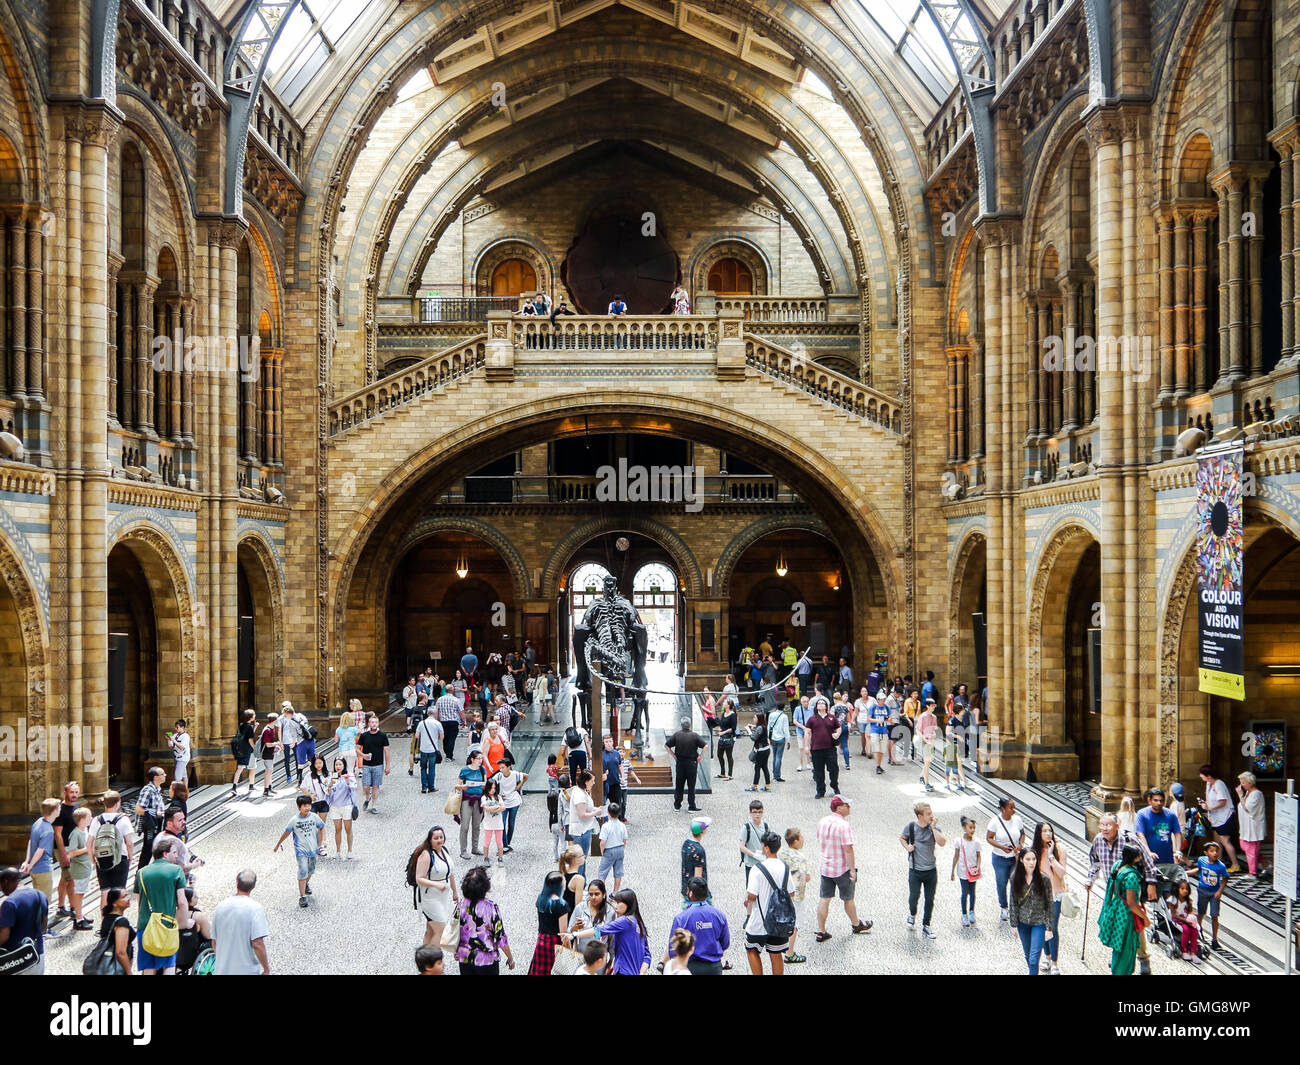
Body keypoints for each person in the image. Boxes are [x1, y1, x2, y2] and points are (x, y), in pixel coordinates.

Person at [1085, 811, 1158, 973]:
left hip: (1131, 891)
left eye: (1108, 825)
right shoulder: (1098, 841)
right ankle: (1119, 956)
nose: (1104, 828)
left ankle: (1142, 957)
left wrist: (1152, 883)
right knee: (1114, 924)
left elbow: (1147, 863)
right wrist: (1090, 880)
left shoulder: (1130, 840)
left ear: (1117, 825)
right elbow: (1095, 863)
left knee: (1134, 925)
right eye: (1101, 825)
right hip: (1113, 891)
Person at [815, 796, 872, 940]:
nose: (849, 807)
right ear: (839, 808)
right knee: (848, 899)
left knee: (824, 898)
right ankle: (856, 924)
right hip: (841, 868)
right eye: (847, 805)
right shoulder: (843, 825)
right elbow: (848, 849)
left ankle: (821, 931)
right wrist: (852, 870)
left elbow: (820, 840)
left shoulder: (822, 821)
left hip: (825, 867)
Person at [135, 836, 190, 974]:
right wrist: (184, 922)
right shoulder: (176, 871)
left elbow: (139, 902)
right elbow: (182, 902)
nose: (177, 856)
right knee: (169, 963)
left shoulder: (141, 873)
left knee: (148, 966)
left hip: (145, 925)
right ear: (165, 853)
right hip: (167, 925)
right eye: (174, 852)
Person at [563, 888, 651, 975]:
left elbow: (599, 930)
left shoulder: (625, 921)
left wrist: (574, 934)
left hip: (623, 971)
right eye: (615, 902)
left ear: (628, 904)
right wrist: (641, 972)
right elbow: (647, 956)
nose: (615, 906)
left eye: (619, 903)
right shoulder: (639, 923)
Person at [743, 831, 792, 974]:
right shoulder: (785, 868)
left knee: (752, 949)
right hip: (779, 921)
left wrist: (747, 902)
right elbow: (791, 892)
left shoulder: (757, 869)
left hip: (760, 921)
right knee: (776, 954)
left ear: (765, 848)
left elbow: (751, 896)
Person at [454, 866, 514, 974]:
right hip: (487, 960)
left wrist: (456, 950)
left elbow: (454, 930)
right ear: (485, 887)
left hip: (465, 958)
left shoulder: (460, 906)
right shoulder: (491, 908)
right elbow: (500, 937)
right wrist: (510, 958)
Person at [1097, 843, 1145, 975]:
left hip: (1116, 909)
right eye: (1139, 855)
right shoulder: (1132, 877)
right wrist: (1144, 917)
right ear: (1134, 858)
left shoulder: (1117, 866)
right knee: (1127, 948)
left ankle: (1116, 968)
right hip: (1127, 916)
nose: (1141, 857)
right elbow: (1132, 903)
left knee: (1118, 946)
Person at [210, 870, 270, 975]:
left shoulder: (220, 906)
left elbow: (214, 942)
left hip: (222, 970)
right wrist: (266, 968)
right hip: (246, 970)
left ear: (237, 882)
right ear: (254, 886)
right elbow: (257, 943)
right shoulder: (255, 908)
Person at [901, 801, 946, 939]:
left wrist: (933, 828)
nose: (931, 815)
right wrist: (907, 847)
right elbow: (903, 838)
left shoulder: (934, 828)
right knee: (914, 896)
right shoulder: (911, 827)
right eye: (928, 814)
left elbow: (942, 842)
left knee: (930, 899)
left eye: (931, 813)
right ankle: (912, 914)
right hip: (915, 870)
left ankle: (926, 925)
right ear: (920, 816)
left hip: (931, 870)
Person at [667, 877, 730, 974]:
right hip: (714, 968)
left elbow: (673, 949)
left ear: (690, 893)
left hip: (690, 967)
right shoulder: (719, 915)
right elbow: (725, 943)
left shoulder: (681, 918)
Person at [410, 825, 457, 947]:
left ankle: (424, 957)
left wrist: (455, 891)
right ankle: (433, 959)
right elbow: (419, 878)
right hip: (429, 897)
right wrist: (436, 884)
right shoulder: (426, 855)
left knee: (431, 929)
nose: (439, 840)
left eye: (441, 837)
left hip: (442, 896)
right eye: (436, 838)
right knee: (440, 929)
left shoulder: (444, 851)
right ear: (430, 840)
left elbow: (450, 872)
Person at [1008, 847, 1052, 975]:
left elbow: (1049, 904)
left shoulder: (1044, 879)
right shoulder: (1015, 877)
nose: (1032, 862)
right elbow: (1013, 902)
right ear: (1021, 860)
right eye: (1028, 859)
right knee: (1028, 956)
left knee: (1034, 959)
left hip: (1039, 922)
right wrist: (1013, 924)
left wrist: (1049, 928)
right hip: (1023, 922)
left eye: (1034, 859)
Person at [275, 795, 325, 909]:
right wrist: (278, 844)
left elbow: (322, 827)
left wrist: (321, 842)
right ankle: (302, 896)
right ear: (299, 807)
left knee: (310, 870)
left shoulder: (314, 817)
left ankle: (306, 884)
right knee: (303, 870)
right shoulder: (294, 820)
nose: (307, 808)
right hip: (300, 850)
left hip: (313, 849)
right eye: (304, 806)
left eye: (309, 805)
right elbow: (286, 832)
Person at [1032, 821, 1069, 973]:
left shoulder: (1060, 849)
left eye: (1050, 831)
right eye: (1044, 831)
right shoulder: (1034, 851)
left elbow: (1061, 873)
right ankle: (1046, 956)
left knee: (1052, 927)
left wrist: (1052, 857)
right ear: (1038, 834)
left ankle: (1054, 962)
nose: (1048, 834)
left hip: (1056, 893)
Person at [0, 865, 48, 974]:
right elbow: (44, 927)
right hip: (36, 954)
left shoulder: (10, 903)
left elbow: (4, 935)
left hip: (14, 959)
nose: (2, 890)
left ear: (6, 882)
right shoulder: (40, 895)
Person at [986, 796, 1026, 920]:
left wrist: (1020, 845)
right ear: (1003, 809)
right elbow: (989, 838)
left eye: (1014, 807)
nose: (1014, 810)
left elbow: (1023, 833)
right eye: (1011, 807)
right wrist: (1001, 847)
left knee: (1015, 882)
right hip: (1000, 858)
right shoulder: (994, 822)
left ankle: (1015, 907)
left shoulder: (1017, 820)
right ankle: (1004, 907)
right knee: (1002, 883)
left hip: (1014, 857)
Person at [777, 829, 811, 964]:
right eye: (801, 837)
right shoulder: (800, 857)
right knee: (794, 924)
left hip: (782, 893)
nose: (803, 839)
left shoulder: (781, 853)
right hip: (796, 896)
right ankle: (789, 953)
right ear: (796, 841)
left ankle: (779, 947)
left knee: (783, 920)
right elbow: (806, 877)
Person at [527, 870, 571, 974]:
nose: (565, 884)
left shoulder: (541, 899)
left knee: (540, 970)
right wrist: (569, 949)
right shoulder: (562, 905)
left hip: (542, 939)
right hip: (554, 943)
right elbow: (563, 933)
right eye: (564, 882)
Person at [90, 791, 134, 893]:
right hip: (120, 858)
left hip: (101, 858)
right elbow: (129, 843)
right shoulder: (123, 819)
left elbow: (89, 843)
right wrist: (130, 858)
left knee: (105, 891)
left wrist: (93, 858)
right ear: (117, 803)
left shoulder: (96, 820)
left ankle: (104, 909)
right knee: (119, 890)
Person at [20, 799, 58, 913]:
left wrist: (27, 862)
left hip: (35, 870)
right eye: (59, 808)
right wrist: (30, 865)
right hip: (43, 869)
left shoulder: (38, 822)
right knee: (44, 902)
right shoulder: (48, 830)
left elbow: (31, 842)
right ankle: (43, 929)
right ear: (55, 811)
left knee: (37, 900)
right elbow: (40, 850)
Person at [63, 807, 95, 931]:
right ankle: (78, 918)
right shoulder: (76, 833)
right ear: (82, 820)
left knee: (81, 893)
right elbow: (71, 852)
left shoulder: (85, 830)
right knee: (79, 893)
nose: (91, 819)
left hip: (85, 866)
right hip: (79, 868)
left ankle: (80, 914)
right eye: (88, 817)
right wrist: (87, 848)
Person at [805, 695, 841, 799]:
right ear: (816, 706)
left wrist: (837, 734)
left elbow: (838, 728)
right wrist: (807, 747)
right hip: (816, 749)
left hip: (830, 749)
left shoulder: (832, 717)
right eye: (819, 703)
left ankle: (834, 785)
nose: (821, 704)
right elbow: (807, 732)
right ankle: (820, 790)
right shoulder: (812, 719)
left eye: (823, 703)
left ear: (826, 706)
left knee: (834, 769)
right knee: (818, 771)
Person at [666, 716, 705, 811]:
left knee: (679, 784)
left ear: (681, 725)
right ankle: (691, 806)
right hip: (692, 763)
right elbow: (705, 746)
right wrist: (700, 756)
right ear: (690, 725)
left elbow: (667, 745)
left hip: (680, 762)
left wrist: (674, 755)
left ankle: (677, 805)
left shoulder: (677, 735)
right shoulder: (694, 735)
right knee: (691, 785)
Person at [355, 713, 390, 814]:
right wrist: (363, 755)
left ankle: (374, 805)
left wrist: (387, 766)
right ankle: (367, 798)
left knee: (376, 786)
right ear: (369, 724)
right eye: (372, 722)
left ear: (378, 724)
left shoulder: (383, 736)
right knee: (365, 785)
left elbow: (387, 751)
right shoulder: (364, 736)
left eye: (376, 722)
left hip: (378, 764)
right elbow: (357, 749)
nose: (374, 724)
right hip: (366, 765)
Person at [1195, 840, 1227, 949]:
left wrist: (1219, 891)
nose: (1215, 853)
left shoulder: (1221, 866)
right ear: (1206, 852)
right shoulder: (1201, 860)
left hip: (1214, 893)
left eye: (1216, 851)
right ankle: (1198, 934)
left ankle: (1214, 939)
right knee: (1200, 913)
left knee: (1214, 916)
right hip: (1202, 890)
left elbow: (1225, 878)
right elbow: (1198, 870)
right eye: (1212, 851)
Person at [456, 749, 488, 858]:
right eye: (478, 758)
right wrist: (463, 787)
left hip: (479, 799)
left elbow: (485, 785)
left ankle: (475, 848)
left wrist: (484, 786)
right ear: (472, 759)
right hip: (467, 799)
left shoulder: (482, 770)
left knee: (476, 825)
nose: (480, 761)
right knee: (465, 826)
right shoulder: (465, 770)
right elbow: (457, 785)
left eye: (481, 758)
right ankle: (463, 850)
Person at [95, 887, 135, 975]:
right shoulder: (121, 922)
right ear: (115, 903)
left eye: (127, 895)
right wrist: (129, 972)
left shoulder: (107, 918)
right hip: (117, 968)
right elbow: (120, 952)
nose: (128, 898)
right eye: (124, 897)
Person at [567, 769, 600, 875]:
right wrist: (595, 813)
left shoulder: (582, 792)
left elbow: (586, 808)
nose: (593, 783)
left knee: (582, 858)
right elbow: (582, 815)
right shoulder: (579, 795)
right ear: (586, 781)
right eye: (592, 781)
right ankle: (579, 882)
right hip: (581, 830)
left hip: (584, 828)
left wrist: (595, 809)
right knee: (581, 859)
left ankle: (582, 881)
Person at [1236, 771, 1267, 877]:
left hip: (1253, 827)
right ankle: (1266, 863)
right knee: (1245, 846)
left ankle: (1252, 873)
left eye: (1243, 782)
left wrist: (1240, 795)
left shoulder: (1256, 794)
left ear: (1250, 783)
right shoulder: (1249, 792)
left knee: (1251, 849)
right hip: (1246, 827)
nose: (1241, 785)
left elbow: (1248, 808)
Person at [952, 815, 982, 927]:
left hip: (973, 871)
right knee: (965, 892)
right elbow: (956, 856)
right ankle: (964, 914)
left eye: (974, 827)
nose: (972, 830)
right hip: (963, 872)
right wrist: (952, 871)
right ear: (964, 828)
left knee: (973, 892)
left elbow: (979, 856)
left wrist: (978, 866)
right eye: (970, 828)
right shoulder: (959, 841)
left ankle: (971, 911)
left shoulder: (977, 842)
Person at [133, 768, 166, 867]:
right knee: (147, 851)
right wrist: (156, 813)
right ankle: (140, 874)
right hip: (150, 827)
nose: (165, 775)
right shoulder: (148, 790)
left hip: (156, 825)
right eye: (162, 774)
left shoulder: (156, 789)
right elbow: (138, 809)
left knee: (155, 850)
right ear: (156, 777)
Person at [327, 757, 358, 859]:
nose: (338, 767)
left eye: (340, 764)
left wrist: (348, 781)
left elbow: (353, 789)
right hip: (335, 806)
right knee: (337, 830)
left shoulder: (349, 776)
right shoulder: (333, 777)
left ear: (344, 765)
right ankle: (338, 851)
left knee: (348, 829)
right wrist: (330, 785)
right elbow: (329, 794)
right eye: (336, 765)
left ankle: (350, 851)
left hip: (346, 806)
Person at [1167, 878, 1201, 963]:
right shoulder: (1173, 900)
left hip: (1187, 920)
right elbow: (1173, 914)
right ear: (1177, 889)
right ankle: (1184, 950)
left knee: (1194, 930)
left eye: (1186, 889)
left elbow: (1189, 911)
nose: (1185, 891)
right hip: (1177, 920)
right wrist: (1185, 920)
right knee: (1186, 930)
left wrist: (1192, 915)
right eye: (1182, 889)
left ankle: (1193, 952)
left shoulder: (1188, 901)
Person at [597, 804, 628, 892]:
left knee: (602, 873)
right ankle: (615, 892)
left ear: (608, 813)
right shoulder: (622, 825)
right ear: (619, 813)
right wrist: (622, 848)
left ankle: (601, 892)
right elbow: (624, 839)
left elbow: (602, 842)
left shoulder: (606, 826)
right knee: (618, 872)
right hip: (620, 848)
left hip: (609, 849)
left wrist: (602, 851)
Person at [681, 816, 710, 905]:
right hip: (697, 893)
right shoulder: (699, 850)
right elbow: (698, 876)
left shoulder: (686, 844)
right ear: (702, 831)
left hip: (687, 888)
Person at [739, 799, 770, 872]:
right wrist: (754, 855)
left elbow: (770, 843)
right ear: (750, 813)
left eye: (760, 812)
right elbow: (741, 847)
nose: (757, 814)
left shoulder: (766, 826)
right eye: (755, 812)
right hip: (751, 865)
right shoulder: (746, 827)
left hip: (764, 864)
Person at [481, 778, 507, 865]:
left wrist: (493, 808)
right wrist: (497, 807)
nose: (493, 790)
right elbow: (487, 808)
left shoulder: (498, 797)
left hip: (498, 824)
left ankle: (500, 858)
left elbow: (503, 807)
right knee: (487, 841)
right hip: (488, 823)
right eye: (491, 788)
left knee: (499, 842)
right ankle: (486, 858)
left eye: (494, 788)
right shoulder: (484, 798)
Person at [255, 713, 282, 795]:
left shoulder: (271, 728)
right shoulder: (267, 730)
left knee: (270, 770)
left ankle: (269, 787)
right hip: (266, 753)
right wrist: (277, 743)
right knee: (269, 771)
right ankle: (266, 790)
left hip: (270, 753)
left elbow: (270, 743)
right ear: (274, 720)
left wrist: (275, 746)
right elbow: (268, 744)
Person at [916, 698, 939, 791]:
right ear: (927, 706)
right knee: (927, 762)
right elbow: (918, 730)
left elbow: (934, 729)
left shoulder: (934, 717)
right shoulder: (922, 717)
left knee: (927, 763)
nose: (934, 707)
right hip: (924, 742)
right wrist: (924, 739)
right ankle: (927, 784)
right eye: (932, 705)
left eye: (934, 705)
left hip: (931, 742)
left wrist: (934, 735)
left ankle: (922, 776)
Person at [232, 709, 257, 795]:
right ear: (251, 717)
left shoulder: (241, 725)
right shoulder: (250, 726)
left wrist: (255, 727)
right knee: (252, 768)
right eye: (254, 715)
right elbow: (250, 739)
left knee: (239, 768)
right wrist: (255, 748)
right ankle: (251, 785)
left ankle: (234, 786)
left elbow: (246, 735)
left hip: (241, 750)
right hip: (249, 751)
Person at [746, 714, 772, 791]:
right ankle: (767, 786)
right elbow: (759, 729)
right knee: (765, 767)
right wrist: (753, 726)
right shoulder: (764, 726)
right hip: (766, 749)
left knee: (757, 768)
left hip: (760, 751)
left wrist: (749, 730)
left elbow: (753, 737)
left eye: (755, 717)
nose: (753, 718)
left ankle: (754, 786)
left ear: (759, 719)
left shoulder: (760, 728)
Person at [713, 700, 737, 780]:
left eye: (724, 703)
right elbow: (722, 725)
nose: (723, 704)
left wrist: (723, 732)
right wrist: (720, 729)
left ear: (728, 705)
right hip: (722, 737)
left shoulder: (733, 715)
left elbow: (733, 728)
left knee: (729, 755)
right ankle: (722, 773)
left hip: (729, 738)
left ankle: (730, 774)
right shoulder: (724, 714)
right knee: (719, 755)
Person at [768, 700, 790, 782]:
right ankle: (777, 776)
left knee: (774, 756)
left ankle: (774, 774)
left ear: (776, 707)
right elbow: (786, 729)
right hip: (781, 738)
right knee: (778, 757)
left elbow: (769, 727)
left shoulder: (771, 714)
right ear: (783, 708)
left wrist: (768, 737)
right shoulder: (784, 716)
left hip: (773, 737)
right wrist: (788, 741)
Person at [167, 718, 191, 787]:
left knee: (177, 776)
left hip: (183, 758)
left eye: (177, 727)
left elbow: (182, 747)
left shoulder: (186, 736)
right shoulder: (175, 735)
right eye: (175, 727)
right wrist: (169, 739)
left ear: (182, 727)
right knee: (184, 775)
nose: (176, 729)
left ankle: (178, 793)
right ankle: (185, 791)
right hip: (176, 757)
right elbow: (171, 747)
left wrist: (174, 740)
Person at [334, 708, 359, 775]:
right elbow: (359, 736)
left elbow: (336, 740)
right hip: (352, 750)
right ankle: (352, 783)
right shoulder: (354, 729)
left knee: (343, 769)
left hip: (342, 751)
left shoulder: (338, 729)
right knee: (350, 769)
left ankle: (344, 783)